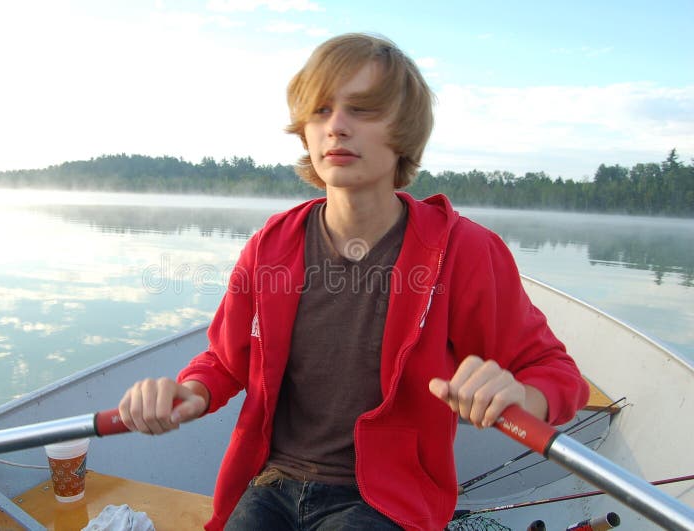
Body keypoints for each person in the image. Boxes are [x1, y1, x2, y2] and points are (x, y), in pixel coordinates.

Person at [118, 33, 589, 530]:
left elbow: (555, 373)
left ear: (403, 134)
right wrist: (192, 390)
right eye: (321, 111)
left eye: (362, 110)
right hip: (271, 483)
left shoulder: (464, 251)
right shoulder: (270, 246)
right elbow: (224, 361)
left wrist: (521, 395)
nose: (337, 127)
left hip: (381, 500)